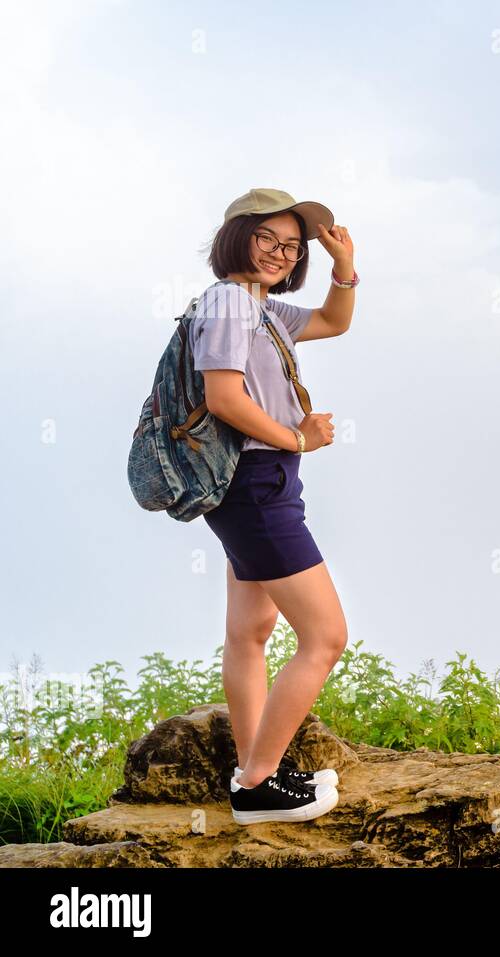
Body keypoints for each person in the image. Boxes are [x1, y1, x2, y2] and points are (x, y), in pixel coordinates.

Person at [190, 188, 359, 824]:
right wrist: (297, 437)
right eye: (268, 239)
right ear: (237, 237)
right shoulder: (233, 304)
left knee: (250, 631)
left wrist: (343, 267)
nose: (280, 253)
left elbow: (334, 321)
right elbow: (224, 396)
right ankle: (257, 785)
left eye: (291, 247)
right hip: (257, 483)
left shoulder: (260, 309)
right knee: (325, 635)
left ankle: (250, 767)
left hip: (258, 481)